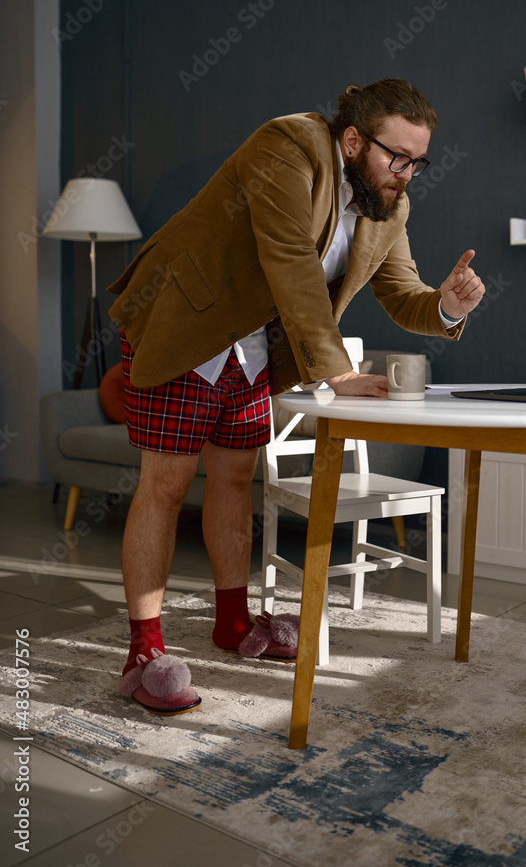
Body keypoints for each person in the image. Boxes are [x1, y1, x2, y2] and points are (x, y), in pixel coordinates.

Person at [107, 77, 485, 714]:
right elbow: (290, 261)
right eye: (398, 157)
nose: (408, 174)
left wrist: (447, 306)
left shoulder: (388, 206)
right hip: (183, 324)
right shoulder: (287, 145)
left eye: (419, 162)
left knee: (233, 481)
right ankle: (144, 651)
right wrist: (335, 372)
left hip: (255, 349)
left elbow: (401, 293)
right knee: (165, 486)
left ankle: (232, 623)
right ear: (352, 138)